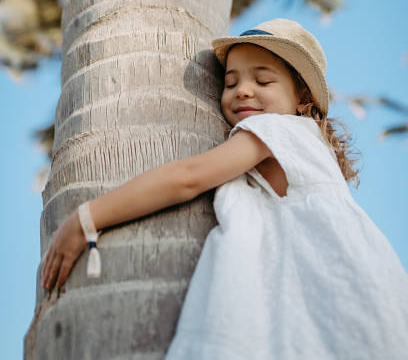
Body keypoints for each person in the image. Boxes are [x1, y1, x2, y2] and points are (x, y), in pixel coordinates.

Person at [41, 18, 408, 359]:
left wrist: (87, 217)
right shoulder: (307, 149)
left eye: (263, 81)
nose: (243, 91)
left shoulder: (278, 129)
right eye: (231, 83)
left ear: (301, 98)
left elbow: (190, 176)